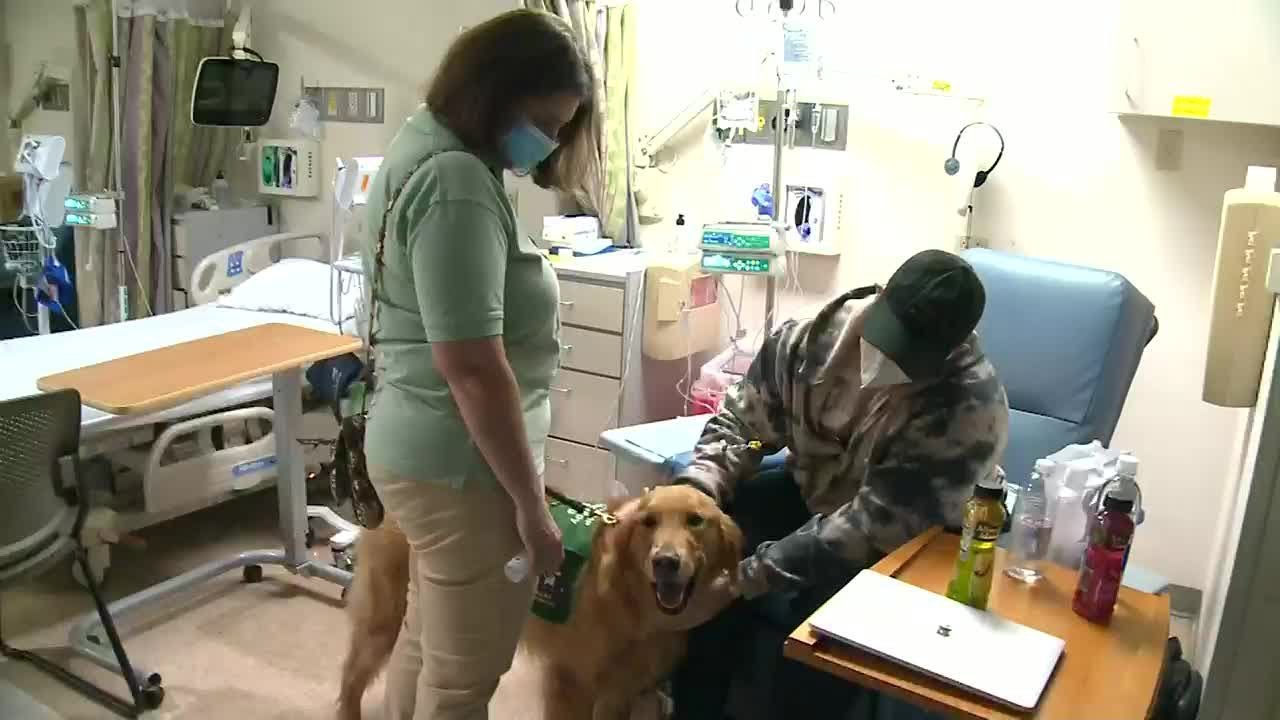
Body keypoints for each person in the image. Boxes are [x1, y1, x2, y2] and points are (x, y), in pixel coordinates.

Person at [359, 10, 596, 719]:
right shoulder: (457, 182)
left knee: (429, 642)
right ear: (494, 92)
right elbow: (472, 369)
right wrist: (533, 510)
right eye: (543, 121)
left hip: (426, 449)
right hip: (463, 468)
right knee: (463, 681)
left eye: (561, 128)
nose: (548, 142)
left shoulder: (420, 144)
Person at [670, 249, 1010, 718]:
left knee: (826, 621)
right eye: (890, 337)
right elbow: (745, 432)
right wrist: (699, 491)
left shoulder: (966, 408)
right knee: (712, 542)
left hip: (903, 545)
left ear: (951, 348)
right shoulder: (809, 342)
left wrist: (741, 581)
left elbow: (869, 528)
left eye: (910, 354)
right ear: (880, 301)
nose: (887, 358)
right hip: (815, 494)